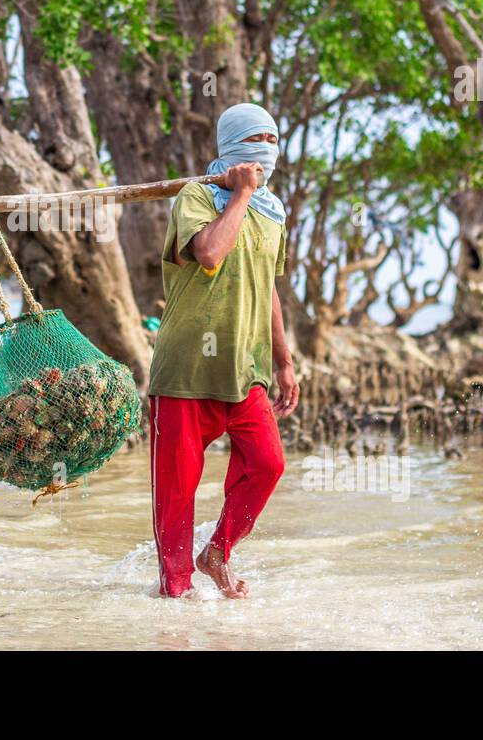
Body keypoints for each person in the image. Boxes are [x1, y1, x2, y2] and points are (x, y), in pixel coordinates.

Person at [147, 102, 299, 598]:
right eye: (257, 140)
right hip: (187, 370)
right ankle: (174, 599)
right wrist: (240, 195)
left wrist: (284, 360)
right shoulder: (197, 196)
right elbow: (210, 253)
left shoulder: (272, 212)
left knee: (268, 464)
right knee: (176, 495)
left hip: (245, 369)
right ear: (232, 145)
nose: (267, 151)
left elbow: (269, 289)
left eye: (274, 141)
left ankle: (217, 551)